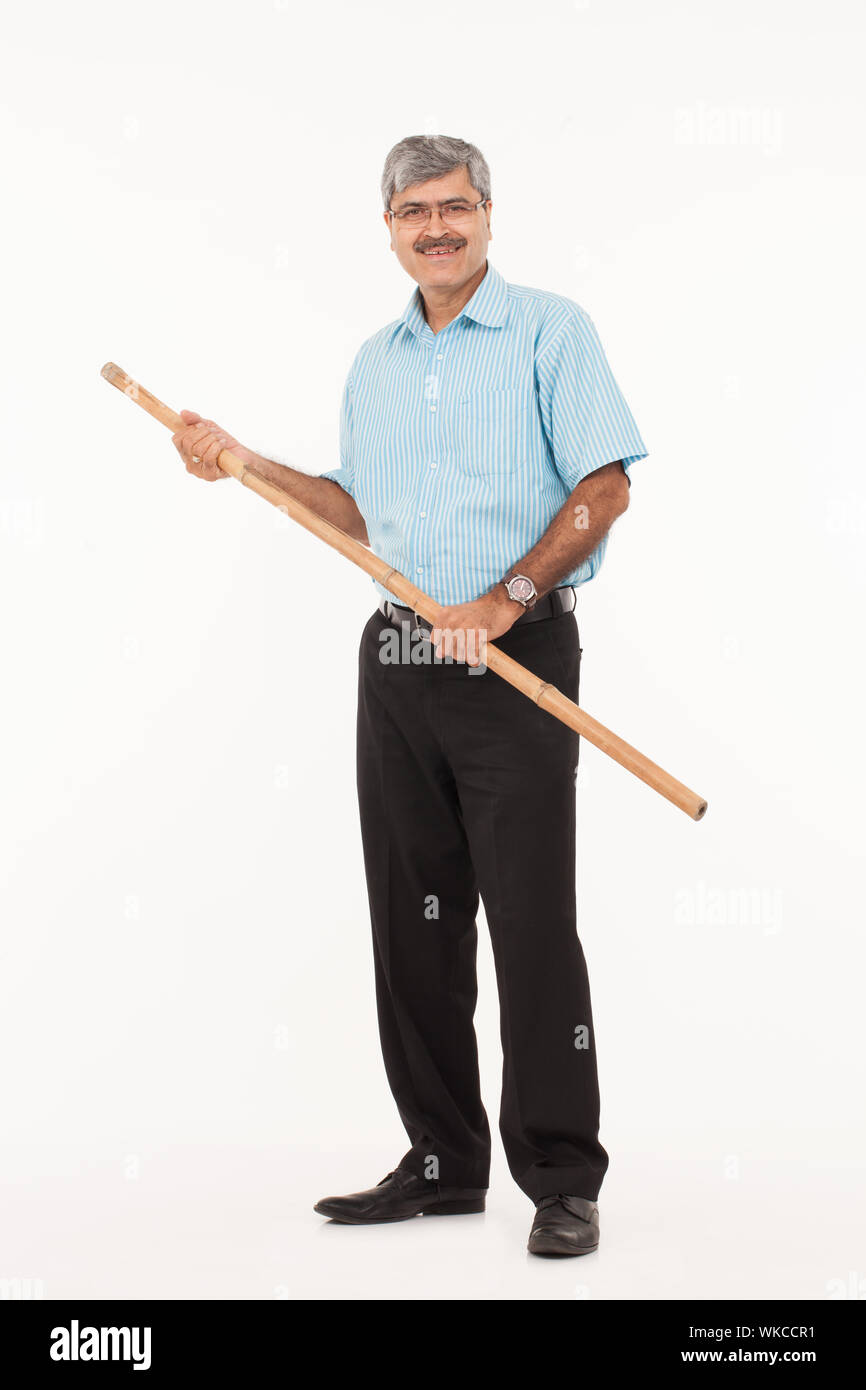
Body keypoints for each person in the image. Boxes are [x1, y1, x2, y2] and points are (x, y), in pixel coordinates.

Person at [171, 134, 648, 1257]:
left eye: (454, 206)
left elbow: (605, 483)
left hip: (515, 665)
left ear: (487, 213)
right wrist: (242, 462)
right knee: (413, 919)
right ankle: (440, 1161)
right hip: (394, 666)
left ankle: (560, 1178)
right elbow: (352, 513)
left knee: (530, 923)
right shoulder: (374, 362)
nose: (435, 227)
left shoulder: (549, 331)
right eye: (412, 212)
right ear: (387, 228)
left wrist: (504, 596)